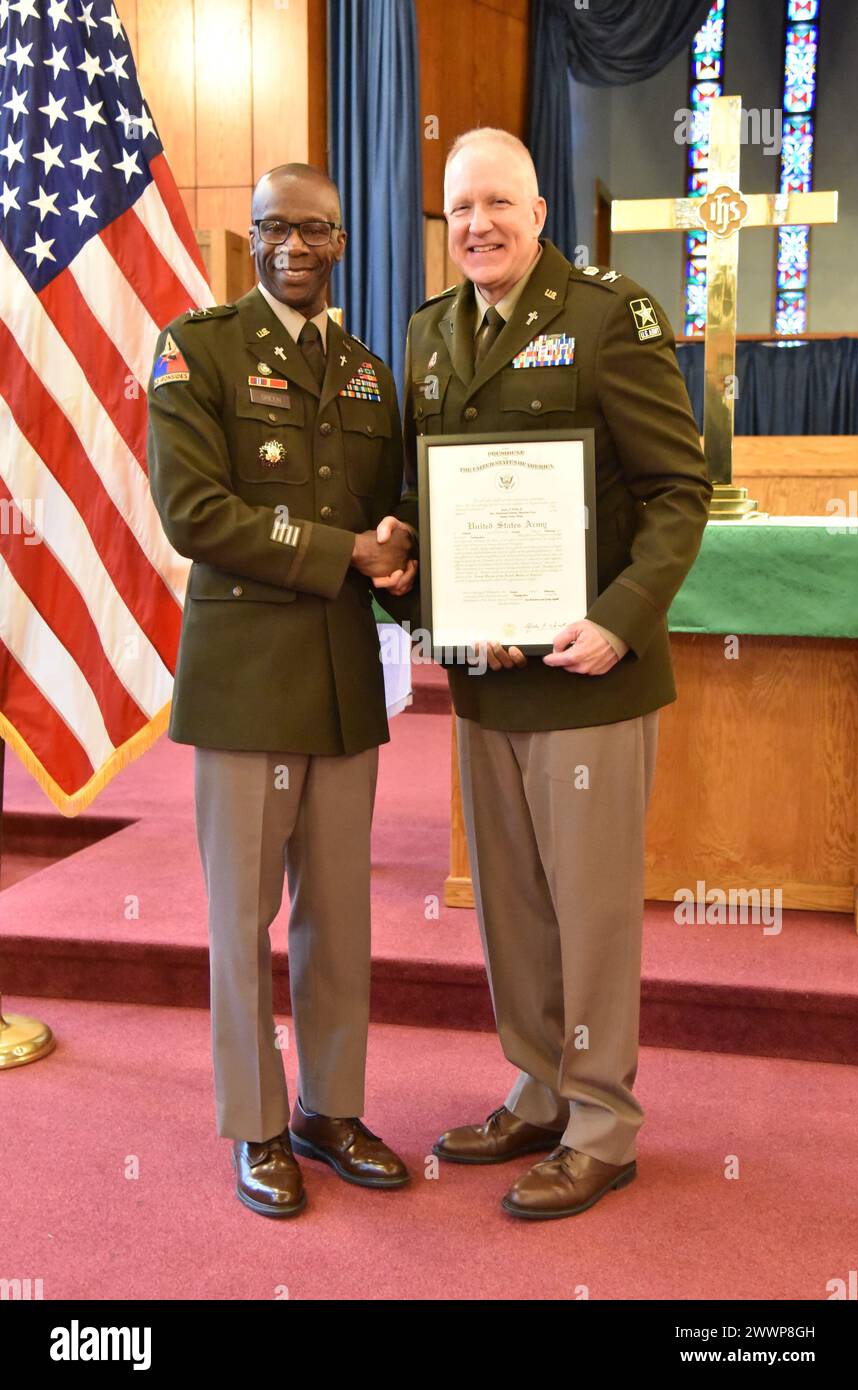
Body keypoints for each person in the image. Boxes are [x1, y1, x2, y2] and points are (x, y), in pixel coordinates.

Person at [403, 128, 712, 1221]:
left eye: (498, 203)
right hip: (486, 681)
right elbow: (427, 507)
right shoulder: (429, 333)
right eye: (459, 209)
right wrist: (434, 612)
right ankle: (536, 1088)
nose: (478, 225)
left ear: (537, 212)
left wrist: (621, 620)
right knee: (513, 909)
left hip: (589, 676)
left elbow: (680, 490)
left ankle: (601, 1121)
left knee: (588, 913)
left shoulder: (604, 315)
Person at [147, 163, 417, 1219]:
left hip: (344, 683)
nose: (291, 247)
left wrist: (403, 551)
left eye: (312, 230)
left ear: (341, 242)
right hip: (248, 680)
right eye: (272, 228)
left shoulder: (364, 372)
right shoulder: (197, 346)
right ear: (248, 236)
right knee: (242, 916)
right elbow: (195, 514)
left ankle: (329, 1109)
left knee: (338, 919)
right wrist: (347, 546)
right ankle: (256, 1123)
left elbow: (393, 511)